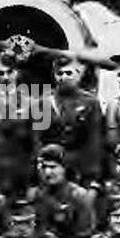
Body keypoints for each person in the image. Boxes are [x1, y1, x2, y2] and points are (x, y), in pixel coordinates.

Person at [0, 51, 41, 194]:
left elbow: (36, 144)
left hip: (22, 177)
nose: (5, 78)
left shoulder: (32, 104)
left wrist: (35, 182)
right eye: (0, 73)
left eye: (10, 72)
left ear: (17, 73)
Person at [42, 56, 106, 186]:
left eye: (68, 73)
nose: (63, 77)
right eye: (59, 73)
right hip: (51, 166)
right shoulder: (44, 102)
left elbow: (94, 142)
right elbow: (38, 137)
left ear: (78, 74)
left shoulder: (90, 102)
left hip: (80, 167)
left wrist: (92, 177)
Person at [27, 144, 97, 238]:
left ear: (64, 168)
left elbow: (84, 237)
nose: (47, 172)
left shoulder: (79, 196)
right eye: (44, 167)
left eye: (53, 167)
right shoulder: (33, 195)